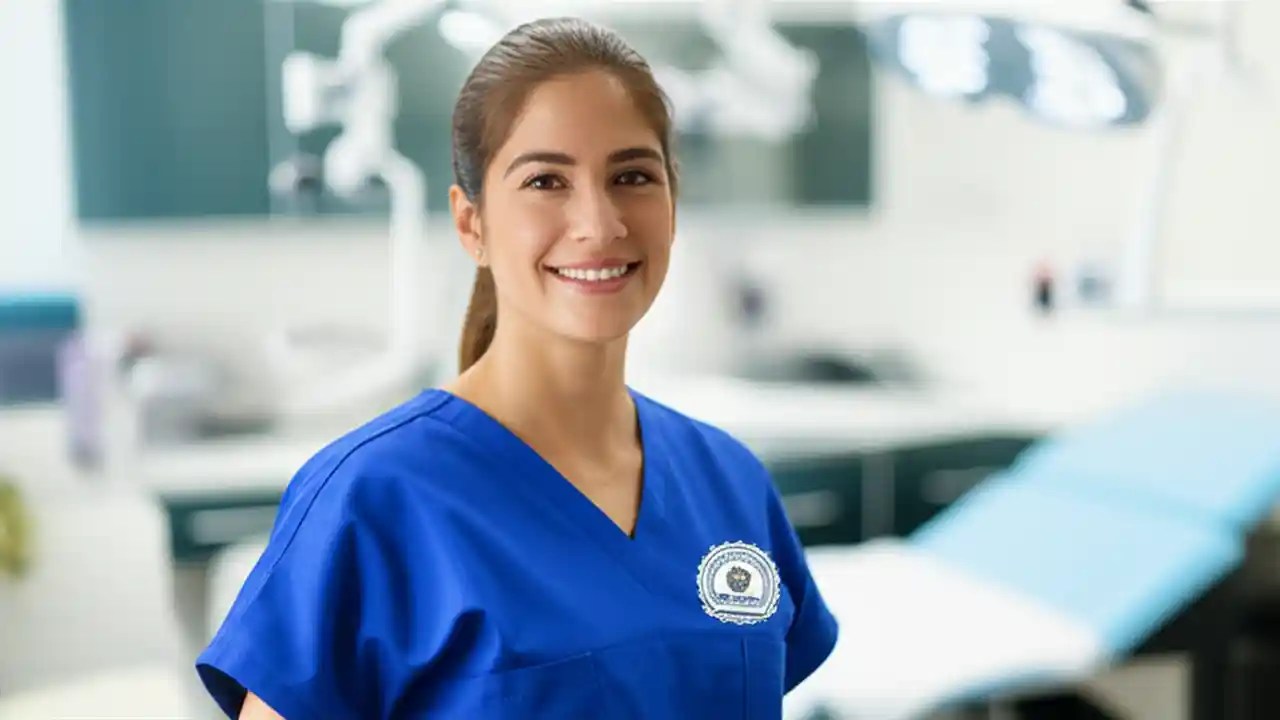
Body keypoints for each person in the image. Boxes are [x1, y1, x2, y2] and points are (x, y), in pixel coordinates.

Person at [196, 16, 837, 719]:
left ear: (673, 204)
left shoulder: (729, 483)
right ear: (472, 224)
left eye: (631, 176)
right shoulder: (373, 500)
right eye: (545, 181)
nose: (598, 222)